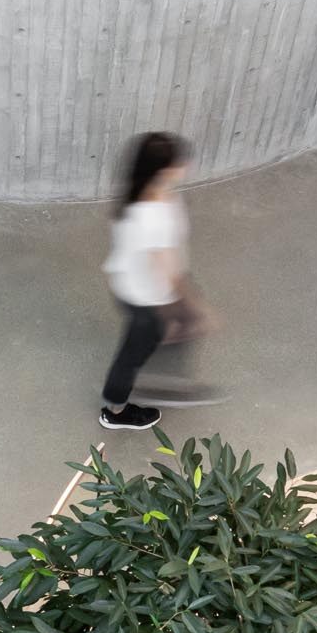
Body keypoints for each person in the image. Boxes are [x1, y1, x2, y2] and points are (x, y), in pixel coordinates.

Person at [99, 132, 210, 433]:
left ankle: (168, 336)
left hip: (138, 285)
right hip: (146, 298)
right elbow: (168, 272)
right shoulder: (153, 216)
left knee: (166, 329)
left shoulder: (145, 193)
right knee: (131, 356)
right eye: (179, 162)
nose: (186, 165)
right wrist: (194, 307)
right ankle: (115, 410)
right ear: (163, 170)